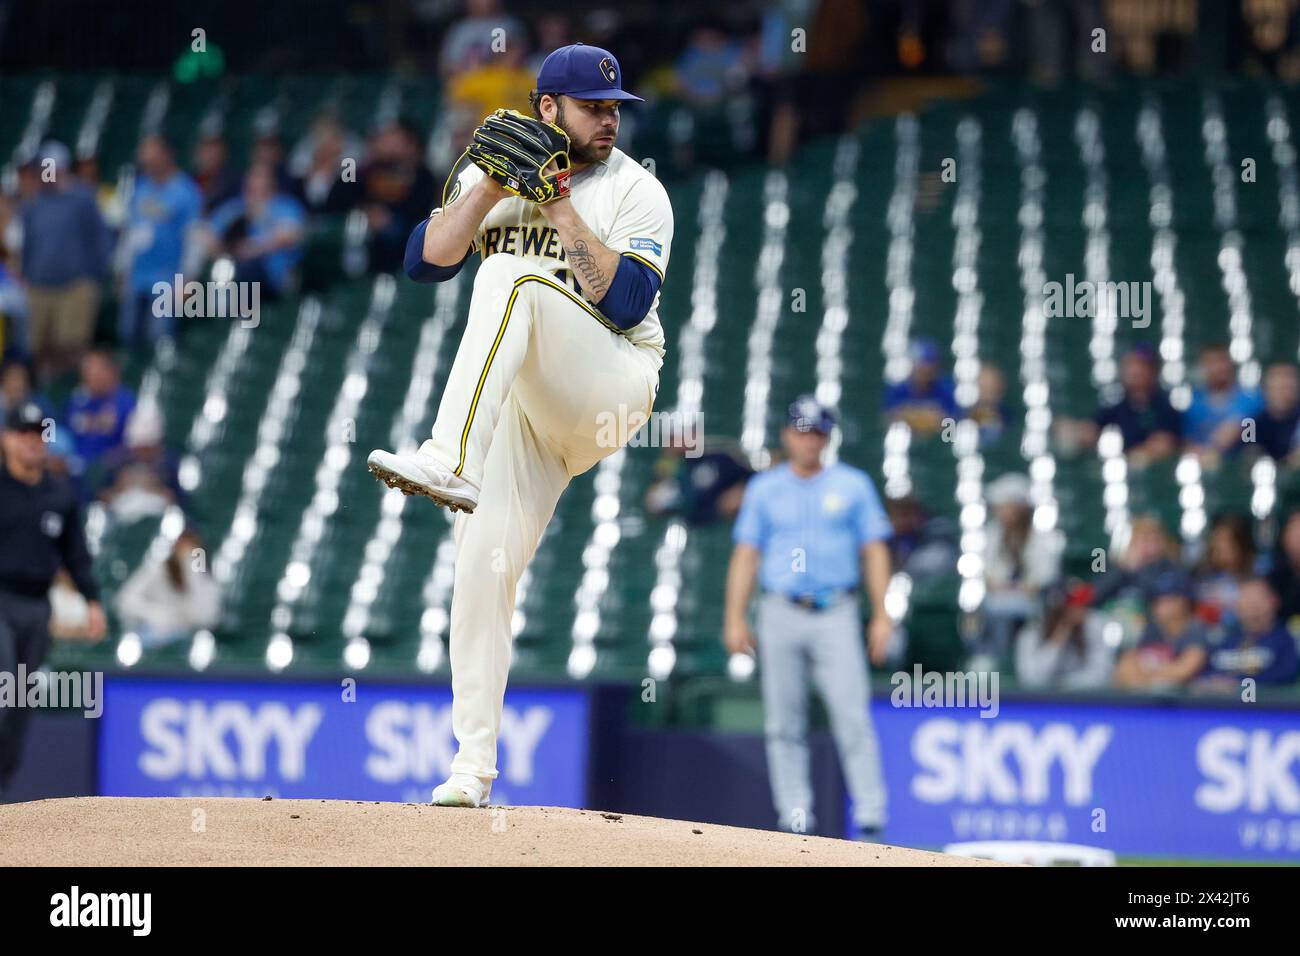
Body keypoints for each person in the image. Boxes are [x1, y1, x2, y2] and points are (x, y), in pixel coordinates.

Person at [366, 44, 668, 809]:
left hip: (610, 381)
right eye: (593, 107)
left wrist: (559, 201)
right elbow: (427, 261)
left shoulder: (637, 190)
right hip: (527, 409)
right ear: (547, 109)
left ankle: (447, 457)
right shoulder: (490, 168)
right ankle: (472, 768)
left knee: (512, 276)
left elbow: (627, 303)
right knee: (482, 568)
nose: (608, 119)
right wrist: (492, 186)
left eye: (614, 108)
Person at [724, 395, 894, 841]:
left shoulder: (853, 484)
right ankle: (794, 815)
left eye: (817, 432)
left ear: (828, 437)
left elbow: (875, 549)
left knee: (852, 716)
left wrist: (881, 614)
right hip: (780, 608)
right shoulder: (765, 488)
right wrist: (734, 617)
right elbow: (746, 554)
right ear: (786, 435)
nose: (809, 441)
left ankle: (871, 816)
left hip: (836, 609)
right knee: (783, 721)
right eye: (802, 431)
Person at [0, 400, 106, 800]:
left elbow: (75, 554)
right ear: (7, 439)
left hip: (36, 608)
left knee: (21, 707)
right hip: (0, 600)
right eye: (23, 434)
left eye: (37, 435)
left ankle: (3, 797)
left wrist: (92, 601)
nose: (31, 442)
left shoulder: (58, 495)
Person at [17, 141, 112, 383]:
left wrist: (94, 278)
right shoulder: (34, 203)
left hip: (75, 286)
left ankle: (67, 390)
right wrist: (25, 275)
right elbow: (27, 243)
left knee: (70, 346)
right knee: (36, 346)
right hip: (38, 285)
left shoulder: (82, 199)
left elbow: (100, 240)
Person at [120, 134, 203, 348]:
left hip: (168, 280)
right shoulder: (141, 188)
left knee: (158, 340)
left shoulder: (186, 191)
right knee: (128, 336)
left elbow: (194, 238)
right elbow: (131, 231)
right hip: (137, 276)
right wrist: (124, 270)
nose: (146, 159)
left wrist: (187, 279)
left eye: (152, 154)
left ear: (167, 155)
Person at [978, 472, 1063, 668]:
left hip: (1034, 601)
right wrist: (999, 584)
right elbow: (989, 573)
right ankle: (996, 660)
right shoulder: (993, 533)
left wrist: (1029, 586)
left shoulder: (1042, 537)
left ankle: (1021, 663)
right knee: (992, 611)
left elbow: (1046, 575)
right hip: (1001, 597)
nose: (1000, 511)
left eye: (1004, 506)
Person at [204, 163, 307, 299]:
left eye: (261, 180)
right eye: (252, 181)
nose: (256, 184)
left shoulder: (284, 205)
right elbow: (204, 232)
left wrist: (252, 248)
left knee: (245, 269)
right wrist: (223, 249)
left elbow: (291, 234)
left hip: (273, 274)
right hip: (234, 267)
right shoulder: (235, 208)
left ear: (272, 185)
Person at [115, 528, 221, 650]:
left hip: (189, 642)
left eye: (194, 552)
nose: (186, 553)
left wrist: (191, 569)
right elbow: (125, 602)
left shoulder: (207, 581)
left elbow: (206, 618)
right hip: (151, 635)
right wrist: (157, 614)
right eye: (182, 549)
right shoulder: (156, 570)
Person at [1112, 569, 1209, 690]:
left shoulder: (1195, 629)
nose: (1159, 605)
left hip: (1191, 704)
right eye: (1157, 600)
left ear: (1183, 602)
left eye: (1166, 600)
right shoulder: (1152, 630)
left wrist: (1145, 675)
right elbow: (1123, 668)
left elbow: (1185, 670)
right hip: (1151, 701)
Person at [1199, 577, 1298, 690]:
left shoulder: (1286, 641)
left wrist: (1239, 683)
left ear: (1274, 601)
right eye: (1246, 599)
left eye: (1258, 599)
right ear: (1237, 605)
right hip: (1221, 705)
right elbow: (1206, 674)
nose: (1252, 606)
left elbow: (1284, 678)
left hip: (1265, 706)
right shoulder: (1226, 640)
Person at [1014, 581, 1116, 691]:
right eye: (1066, 608)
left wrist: (1065, 685)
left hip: (1082, 700)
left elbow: (1101, 675)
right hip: (1042, 702)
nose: (1074, 611)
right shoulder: (1031, 633)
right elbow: (1030, 678)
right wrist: (1057, 640)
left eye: (1077, 605)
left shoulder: (1094, 624)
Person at [64, 348, 135, 478]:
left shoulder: (126, 402)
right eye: (87, 372)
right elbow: (57, 427)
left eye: (97, 371)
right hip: (72, 465)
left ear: (110, 372)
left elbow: (133, 446)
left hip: (107, 470)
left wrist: (101, 464)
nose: (92, 376)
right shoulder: (77, 399)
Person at [1184, 343, 1261, 458]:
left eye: (1221, 361)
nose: (1217, 368)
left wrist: (1213, 450)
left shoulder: (1251, 399)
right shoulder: (1193, 402)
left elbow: (1238, 433)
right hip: (1200, 464)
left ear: (1231, 364)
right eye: (1210, 363)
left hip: (1239, 464)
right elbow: (1187, 441)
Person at [883, 338, 959, 438]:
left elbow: (950, 433)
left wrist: (912, 417)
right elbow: (887, 422)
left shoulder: (947, 390)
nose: (923, 371)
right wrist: (927, 419)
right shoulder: (897, 391)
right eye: (920, 366)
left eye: (927, 367)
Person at [1193, 512, 1257, 628]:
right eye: (1217, 541)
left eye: (1228, 541)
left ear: (1240, 544)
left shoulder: (1257, 573)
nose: (1222, 548)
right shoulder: (1201, 576)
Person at [1251, 362, 1300, 464]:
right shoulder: (1251, 420)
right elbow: (1248, 453)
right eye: (1278, 388)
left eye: (1288, 388)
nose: (1283, 394)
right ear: (1265, 389)